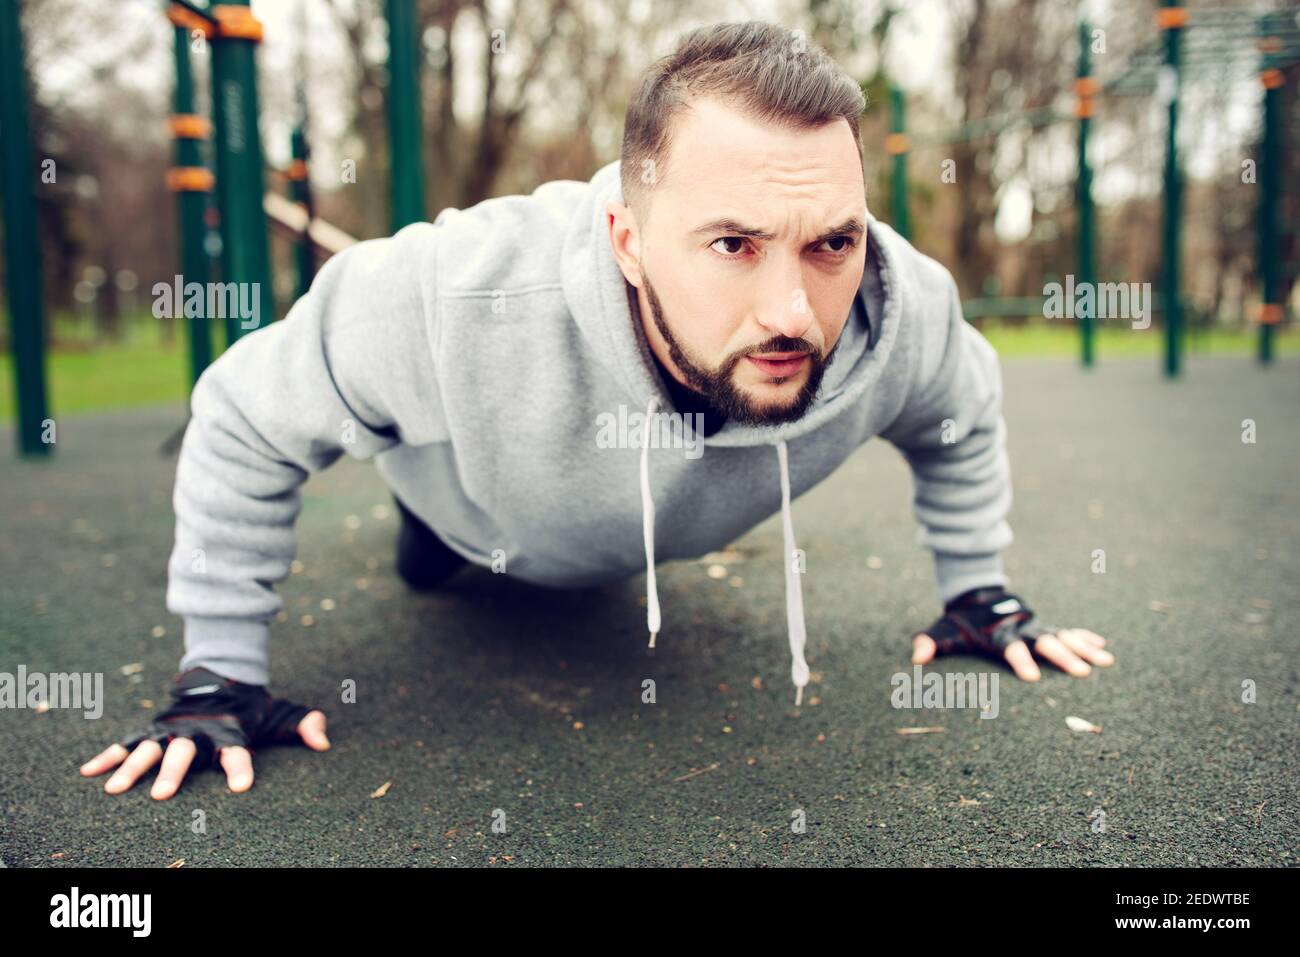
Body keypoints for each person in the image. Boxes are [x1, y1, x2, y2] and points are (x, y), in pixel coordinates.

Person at [81, 20, 1113, 801]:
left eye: (829, 243)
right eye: (732, 244)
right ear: (626, 237)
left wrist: (977, 586)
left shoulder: (906, 310)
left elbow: (958, 419)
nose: (794, 309)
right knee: (452, 570)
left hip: (647, 536)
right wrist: (217, 672)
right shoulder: (446, 296)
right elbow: (242, 417)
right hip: (471, 522)